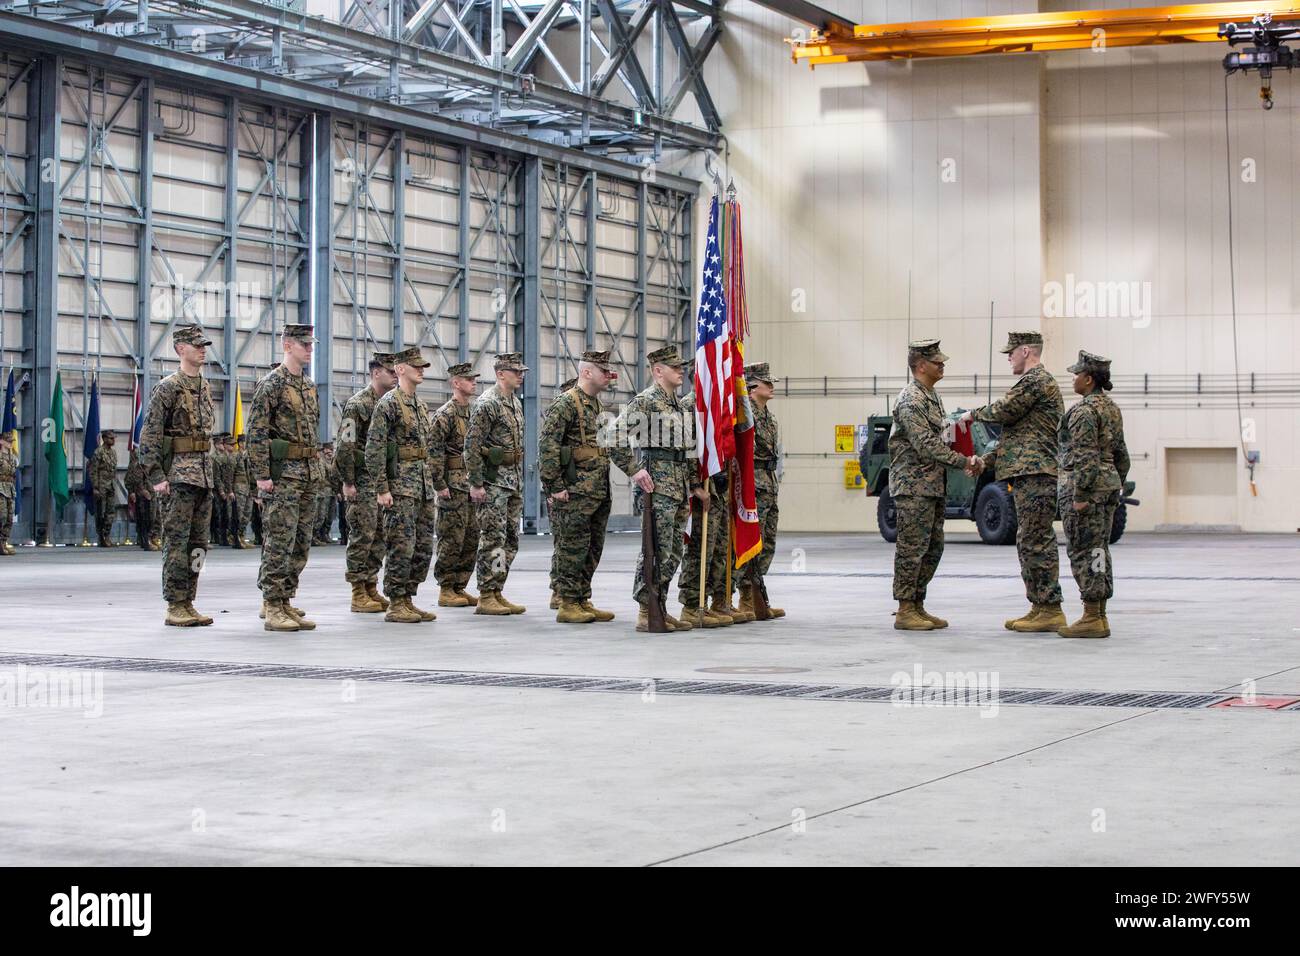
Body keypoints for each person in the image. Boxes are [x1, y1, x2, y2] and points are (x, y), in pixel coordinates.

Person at [959, 331, 1065, 631]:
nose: (1008, 357)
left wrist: (971, 415)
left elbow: (1004, 409)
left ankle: (1050, 608)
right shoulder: (1032, 385)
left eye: (1011, 352)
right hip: (1026, 473)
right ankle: (1039, 605)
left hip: (1036, 475)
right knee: (1028, 540)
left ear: (1027, 351)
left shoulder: (1036, 381)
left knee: (1036, 541)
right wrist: (985, 462)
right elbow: (1015, 443)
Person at [889, 339, 983, 631]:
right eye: (936, 361)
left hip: (932, 484)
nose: (942, 365)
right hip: (913, 485)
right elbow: (926, 444)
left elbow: (942, 436)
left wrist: (964, 445)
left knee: (933, 547)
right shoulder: (911, 399)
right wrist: (962, 461)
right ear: (920, 366)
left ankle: (918, 604)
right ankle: (905, 609)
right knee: (912, 548)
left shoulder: (931, 397)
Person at [539, 351, 637, 624]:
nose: (608, 375)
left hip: (596, 490)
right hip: (574, 491)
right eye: (602, 370)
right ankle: (568, 603)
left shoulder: (593, 404)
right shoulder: (566, 403)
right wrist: (554, 486)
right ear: (586, 372)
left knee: (593, 547)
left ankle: (582, 597)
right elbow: (548, 446)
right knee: (573, 547)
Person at [616, 344, 708, 633]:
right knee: (655, 549)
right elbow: (613, 435)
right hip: (657, 485)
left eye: (681, 367)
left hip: (678, 486)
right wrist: (634, 469)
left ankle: (661, 605)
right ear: (658, 371)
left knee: (673, 551)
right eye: (674, 367)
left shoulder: (677, 404)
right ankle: (646, 609)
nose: (681, 371)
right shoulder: (646, 401)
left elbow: (688, 448)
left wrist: (694, 485)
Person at [138, 324, 217, 626]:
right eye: (196, 345)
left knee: (199, 545)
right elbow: (150, 437)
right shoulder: (168, 388)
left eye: (203, 345)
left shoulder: (204, 387)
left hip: (203, 477)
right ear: (180, 349)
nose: (202, 349)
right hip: (178, 479)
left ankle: (189, 600)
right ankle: (174, 603)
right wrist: (157, 476)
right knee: (176, 542)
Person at [248, 324, 325, 632]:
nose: (309, 349)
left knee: (300, 542)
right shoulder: (272, 384)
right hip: (284, 477)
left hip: (307, 474)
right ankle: (272, 603)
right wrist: (262, 475)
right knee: (279, 540)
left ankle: (285, 598)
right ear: (287, 345)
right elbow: (256, 432)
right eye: (303, 344)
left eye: (310, 344)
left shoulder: (308, 386)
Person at [1057, 350, 1130, 639]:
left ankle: (1090, 615)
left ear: (1088, 380)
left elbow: (1084, 456)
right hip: (1108, 488)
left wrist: (1082, 493)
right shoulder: (1112, 408)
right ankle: (1099, 613)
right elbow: (1122, 455)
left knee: (1082, 549)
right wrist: (1114, 483)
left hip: (1087, 490)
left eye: (1076, 374)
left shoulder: (1083, 411)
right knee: (1099, 549)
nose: (1073, 379)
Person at [365, 346, 439, 624]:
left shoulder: (419, 405)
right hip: (400, 487)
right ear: (400, 369)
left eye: (422, 366)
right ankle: (396, 601)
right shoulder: (388, 404)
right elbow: (375, 449)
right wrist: (382, 488)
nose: (421, 370)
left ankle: (408, 596)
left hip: (421, 485)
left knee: (422, 547)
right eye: (415, 366)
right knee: (401, 545)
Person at [465, 351, 528, 616]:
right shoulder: (487, 403)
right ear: (501, 374)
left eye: (521, 372)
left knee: (510, 540)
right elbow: (472, 445)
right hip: (493, 483)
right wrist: (476, 483)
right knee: (493, 539)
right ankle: (486, 594)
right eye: (516, 372)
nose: (521, 376)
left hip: (512, 482)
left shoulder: (514, 402)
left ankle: (497, 589)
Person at [337, 352, 396, 613]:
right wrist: (348, 481)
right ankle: (357, 591)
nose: (395, 375)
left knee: (380, 537)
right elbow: (346, 445)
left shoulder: (392, 403)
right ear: (375, 373)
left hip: (383, 481)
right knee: (362, 534)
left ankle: (371, 585)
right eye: (389, 371)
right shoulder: (358, 404)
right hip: (362, 481)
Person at [429, 361, 482, 608]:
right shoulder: (445, 414)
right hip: (452, 485)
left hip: (471, 485)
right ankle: (446, 588)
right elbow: (434, 451)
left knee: (471, 537)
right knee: (451, 538)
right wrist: (439, 483)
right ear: (456, 383)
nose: (473, 383)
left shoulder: (474, 412)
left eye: (474, 379)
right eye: (469, 379)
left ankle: (460, 585)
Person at [739, 362, 785, 620]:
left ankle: (758, 594)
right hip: (752, 484)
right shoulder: (745, 414)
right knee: (751, 542)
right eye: (768, 383)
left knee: (767, 542)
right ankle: (746, 596)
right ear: (753, 386)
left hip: (768, 482)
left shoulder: (769, 415)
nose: (772, 387)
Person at [544, 376, 578, 611]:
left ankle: (570, 590)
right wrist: (551, 488)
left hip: (576, 485)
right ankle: (558, 590)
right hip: (560, 486)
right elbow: (548, 454)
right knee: (563, 542)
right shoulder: (560, 413)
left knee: (572, 543)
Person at [125, 444, 159, 551]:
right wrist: (143, 491)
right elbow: (137, 479)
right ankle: (146, 541)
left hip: (153, 492)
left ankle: (151, 539)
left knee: (154, 517)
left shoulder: (152, 461)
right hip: (145, 494)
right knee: (146, 518)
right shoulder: (140, 462)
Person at [88, 430, 119, 547]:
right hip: (101, 486)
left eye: (114, 438)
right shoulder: (98, 452)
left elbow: (113, 470)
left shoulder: (113, 453)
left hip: (110, 485)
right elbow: (93, 471)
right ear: (105, 439)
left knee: (110, 511)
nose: (113, 440)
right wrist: (95, 487)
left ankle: (107, 535)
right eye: (111, 438)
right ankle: (101, 536)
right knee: (100, 512)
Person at [230, 433, 252, 548]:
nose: (244, 444)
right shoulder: (235, 456)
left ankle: (242, 535)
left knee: (247, 513)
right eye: (243, 442)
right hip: (239, 487)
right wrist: (230, 490)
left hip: (248, 488)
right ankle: (236, 538)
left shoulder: (249, 456)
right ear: (239, 443)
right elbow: (230, 474)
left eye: (246, 442)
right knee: (238, 514)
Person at [0, 427, 16, 555]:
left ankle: (4, 542)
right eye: (8, 441)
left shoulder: (12, 457)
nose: (11, 443)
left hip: (10, 488)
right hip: (0, 489)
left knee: (10, 518)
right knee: (2, 516)